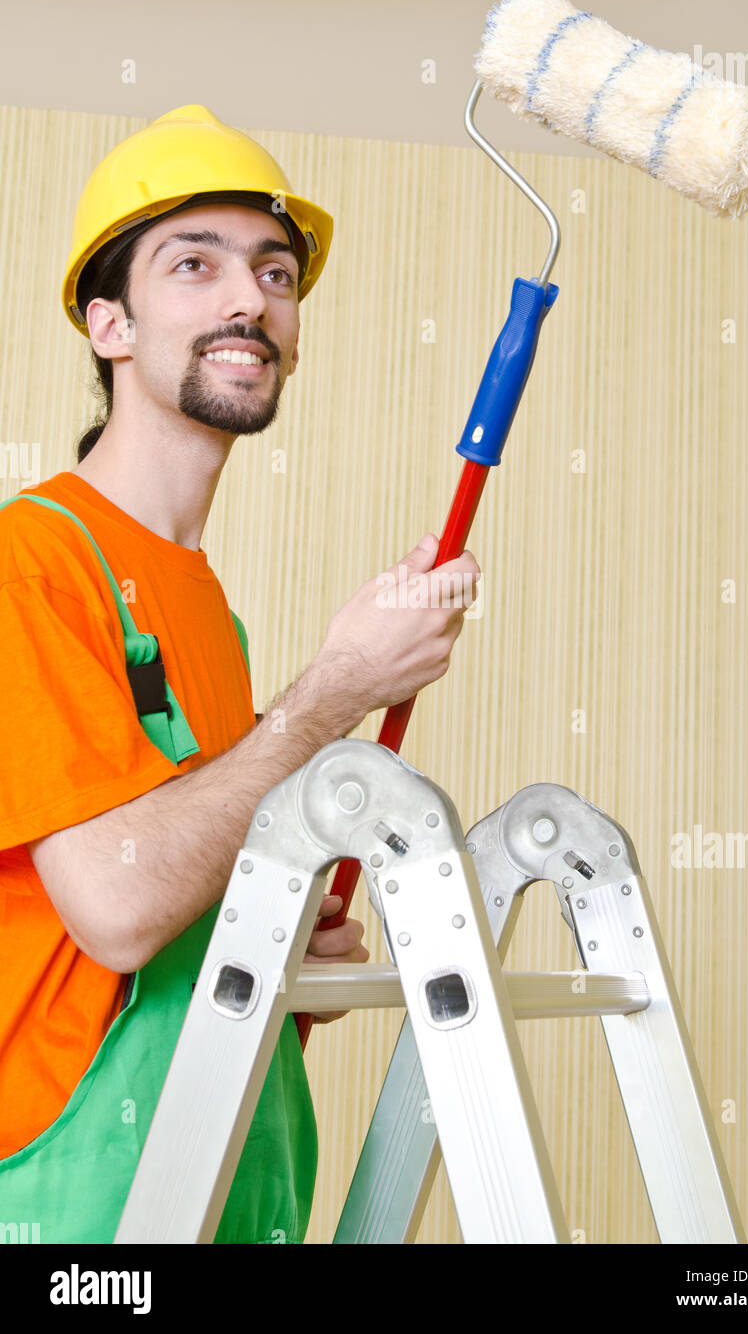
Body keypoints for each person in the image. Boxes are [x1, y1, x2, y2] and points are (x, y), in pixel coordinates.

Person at [0, 106, 480, 1243]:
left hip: (237, 1165)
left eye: (274, 271)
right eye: (194, 264)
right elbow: (115, 911)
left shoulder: (211, 615)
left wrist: (262, 909)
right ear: (107, 321)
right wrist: (335, 692)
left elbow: (166, 874)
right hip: (78, 1194)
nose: (247, 299)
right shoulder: (34, 559)